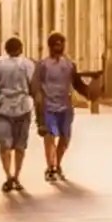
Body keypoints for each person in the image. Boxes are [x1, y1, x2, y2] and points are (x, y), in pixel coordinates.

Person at [31, 32, 95, 182]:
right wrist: (39, 103)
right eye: (56, 44)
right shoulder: (42, 65)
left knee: (65, 139)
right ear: (51, 46)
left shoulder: (69, 65)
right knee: (50, 137)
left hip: (66, 108)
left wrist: (90, 93)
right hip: (48, 107)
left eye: (61, 44)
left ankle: (58, 164)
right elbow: (35, 86)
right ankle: (51, 167)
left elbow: (77, 84)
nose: (59, 47)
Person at [0, 37, 34, 192]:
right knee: (20, 146)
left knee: (4, 146)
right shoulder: (28, 64)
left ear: (6, 49)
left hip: (4, 109)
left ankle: (8, 176)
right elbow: (33, 86)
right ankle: (17, 176)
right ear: (21, 48)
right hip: (23, 108)